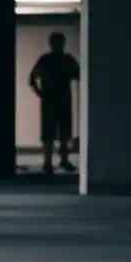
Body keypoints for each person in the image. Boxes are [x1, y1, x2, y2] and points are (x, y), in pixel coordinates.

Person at [28, 32, 81, 174]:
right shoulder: (66, 60)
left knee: (50, 133)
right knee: (62, 131)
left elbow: (32, 79)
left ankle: (49, 162)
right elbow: (79, 74)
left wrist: (40, 93)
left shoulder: (46, 60)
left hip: (50, 100)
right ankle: (61, 160)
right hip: (62, 100)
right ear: (63, 43)